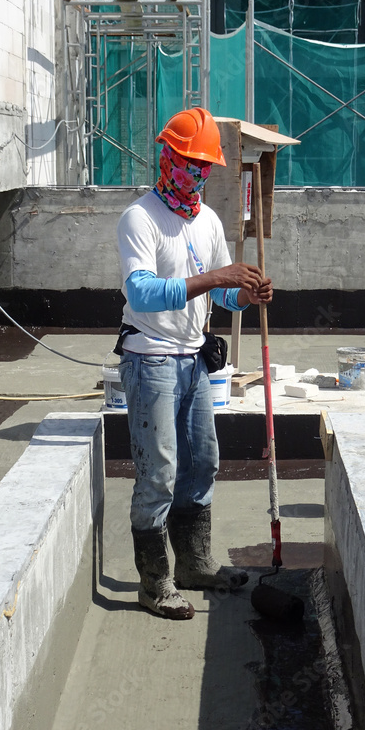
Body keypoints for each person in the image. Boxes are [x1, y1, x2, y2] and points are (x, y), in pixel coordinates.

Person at [116, 107, 273, 620]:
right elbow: (141, 293)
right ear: (167, 156)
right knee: (159, 470)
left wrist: (247, 295)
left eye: (205, 166)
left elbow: (223, 299)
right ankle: (154, 581)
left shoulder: (206, 220)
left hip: (192, 362)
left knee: (202, 462)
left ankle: (194, 564)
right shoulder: (140, 218)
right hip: (151, 360)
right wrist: (217, 280)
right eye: (189, 162)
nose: (197, 174)